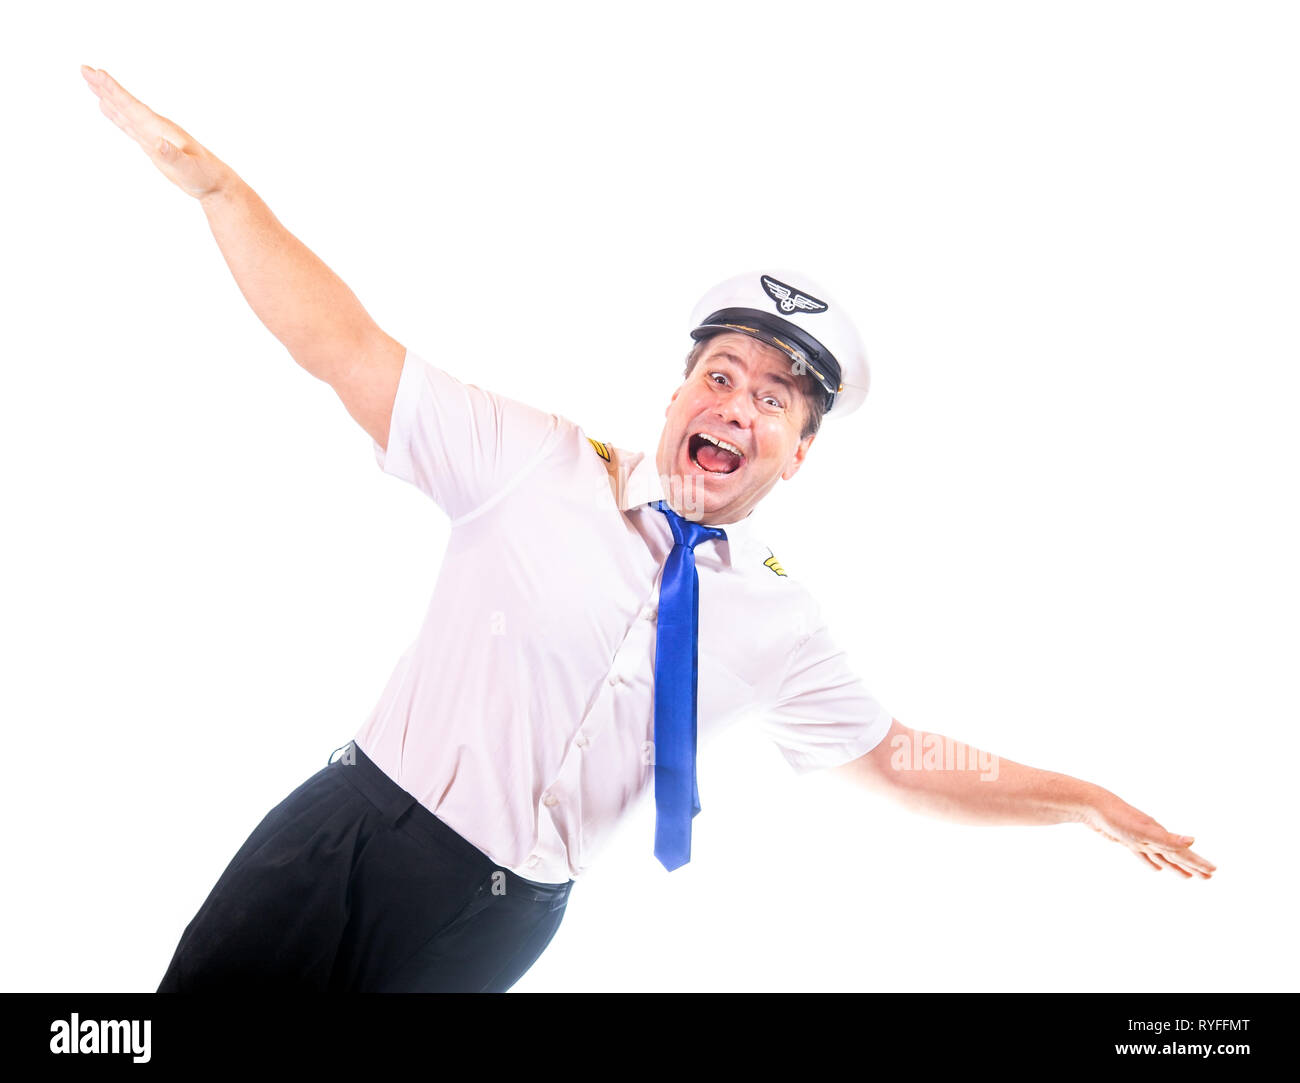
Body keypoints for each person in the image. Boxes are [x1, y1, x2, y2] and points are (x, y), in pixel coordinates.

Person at [80, 65, 1217, 994]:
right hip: (345, 839)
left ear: (799, 450)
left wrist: (1081, 801)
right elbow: (344, 346)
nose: (735, 403)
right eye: (719, 375)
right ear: (678, 398)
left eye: (773, 398)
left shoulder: (779, 622)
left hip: (494, 927)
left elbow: (895, 758)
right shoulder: (532, 462)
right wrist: (221, 195)